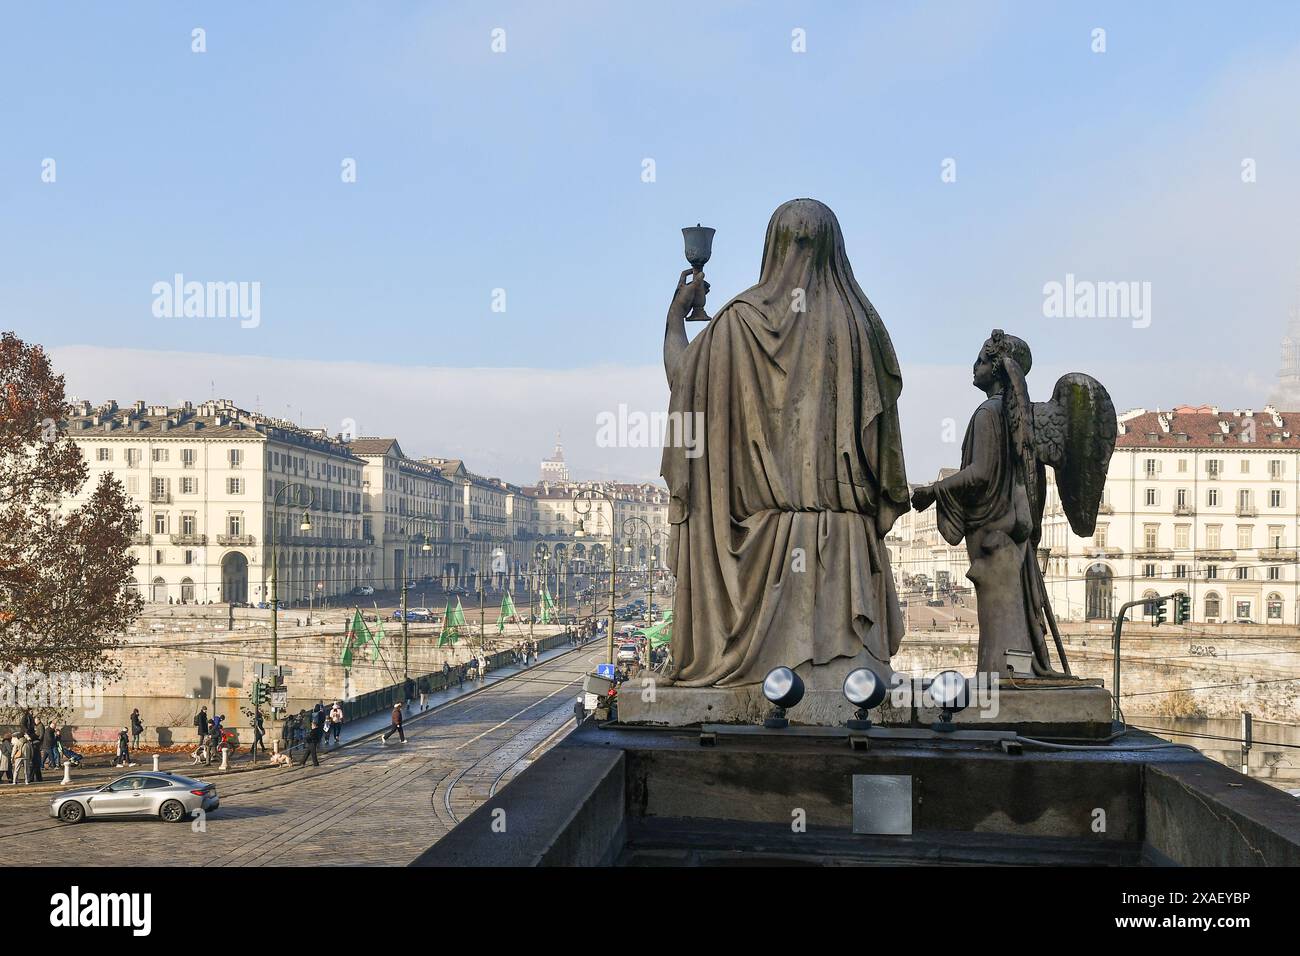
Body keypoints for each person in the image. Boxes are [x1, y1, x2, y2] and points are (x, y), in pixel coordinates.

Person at [661, 199, 909, 688]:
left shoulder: (738, 321)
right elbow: (885, 451)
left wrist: (676, 315)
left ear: (771, 248)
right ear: (836, 247)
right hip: (846, 545)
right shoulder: (863, 325)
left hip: (756, 551)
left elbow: (682, 382)